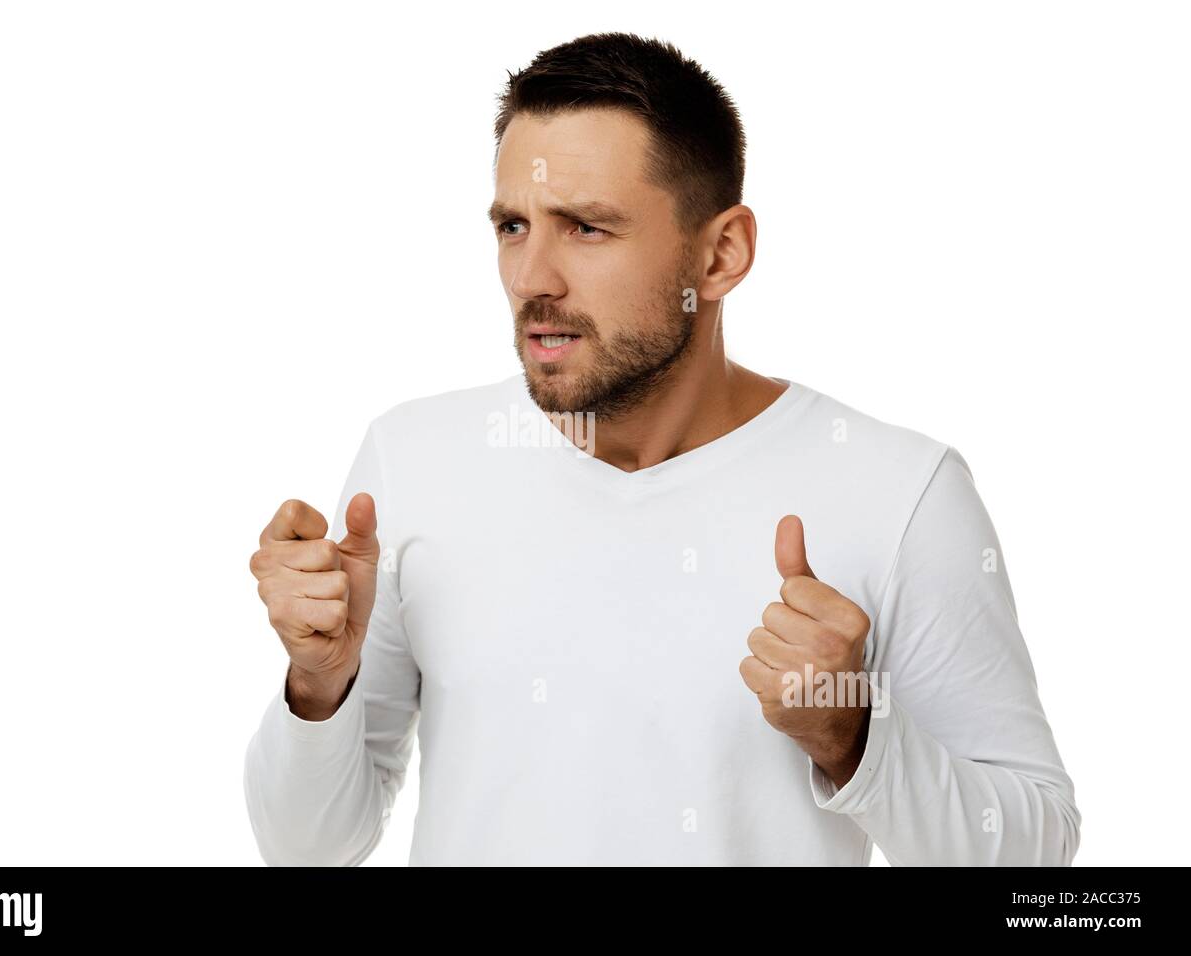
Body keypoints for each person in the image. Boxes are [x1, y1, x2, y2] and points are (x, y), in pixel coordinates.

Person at [242, 32, 1080, 866]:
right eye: (512, 225)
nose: (531, 277)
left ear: (720, 254)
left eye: (586, 228)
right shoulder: (411, 459)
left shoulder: (899, 491)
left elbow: (1036, 855)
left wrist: (853, 734)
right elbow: (307, 849)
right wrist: (319, 687)